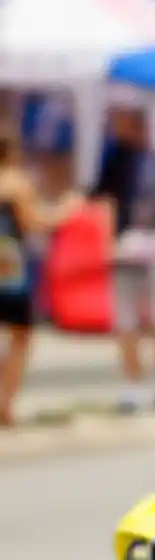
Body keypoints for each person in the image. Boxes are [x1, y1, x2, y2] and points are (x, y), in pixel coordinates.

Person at [93, 109, 155, 413]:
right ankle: (132, 383)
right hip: (129, 241)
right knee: (127, 316)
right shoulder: (117, 158)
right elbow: (101, 198)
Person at [0, 134, 39, 427]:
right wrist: (65, 211)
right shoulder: (16, 182)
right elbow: (31, 222)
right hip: (9, 265)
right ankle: (5, 403)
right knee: (21, 335)